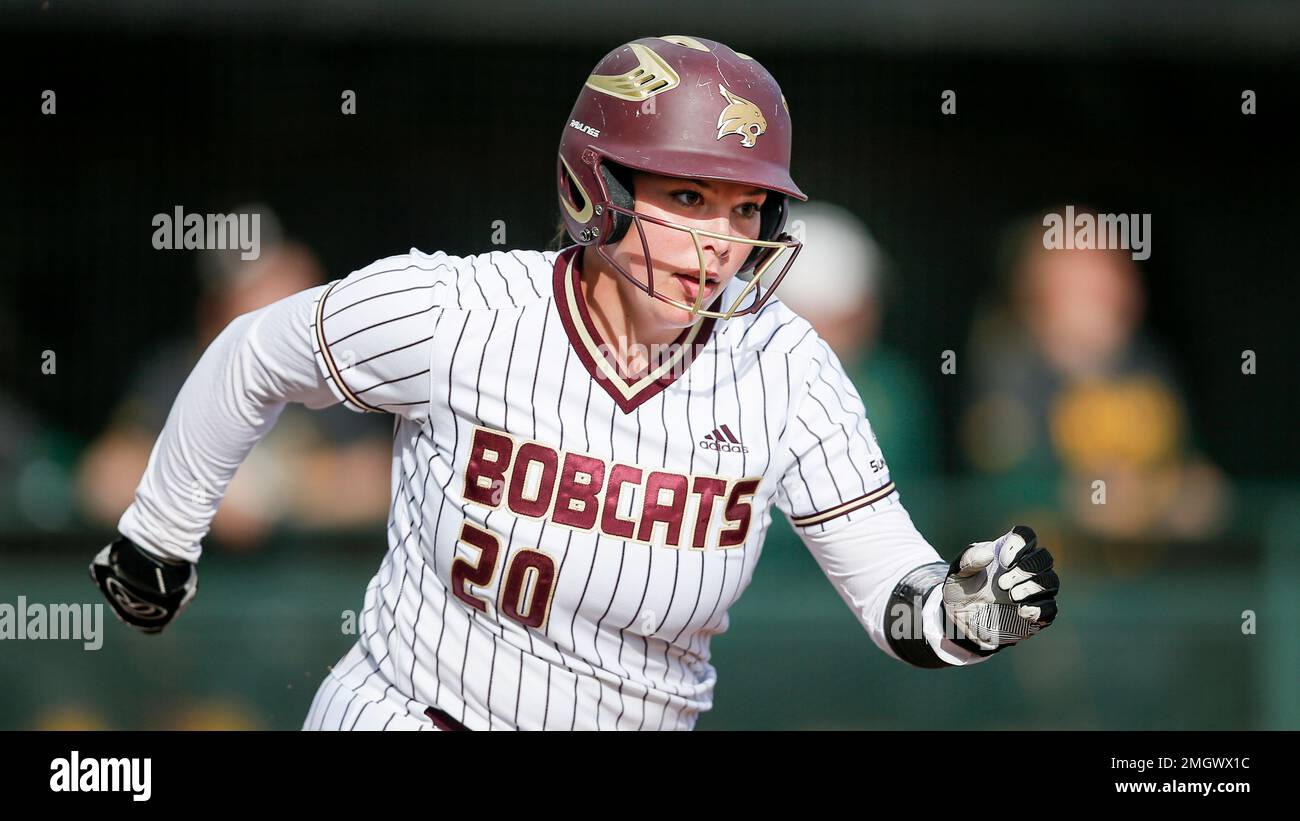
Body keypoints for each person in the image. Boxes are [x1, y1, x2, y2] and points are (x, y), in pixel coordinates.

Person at [89, 35, 1060, 731]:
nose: (717, 239)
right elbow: (255, 352)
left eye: (743, 207)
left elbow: (894, 587)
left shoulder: (786, 364)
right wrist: (160, 534)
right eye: (685, 196)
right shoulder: (461, 311)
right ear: (596, 186)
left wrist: (961, 617)